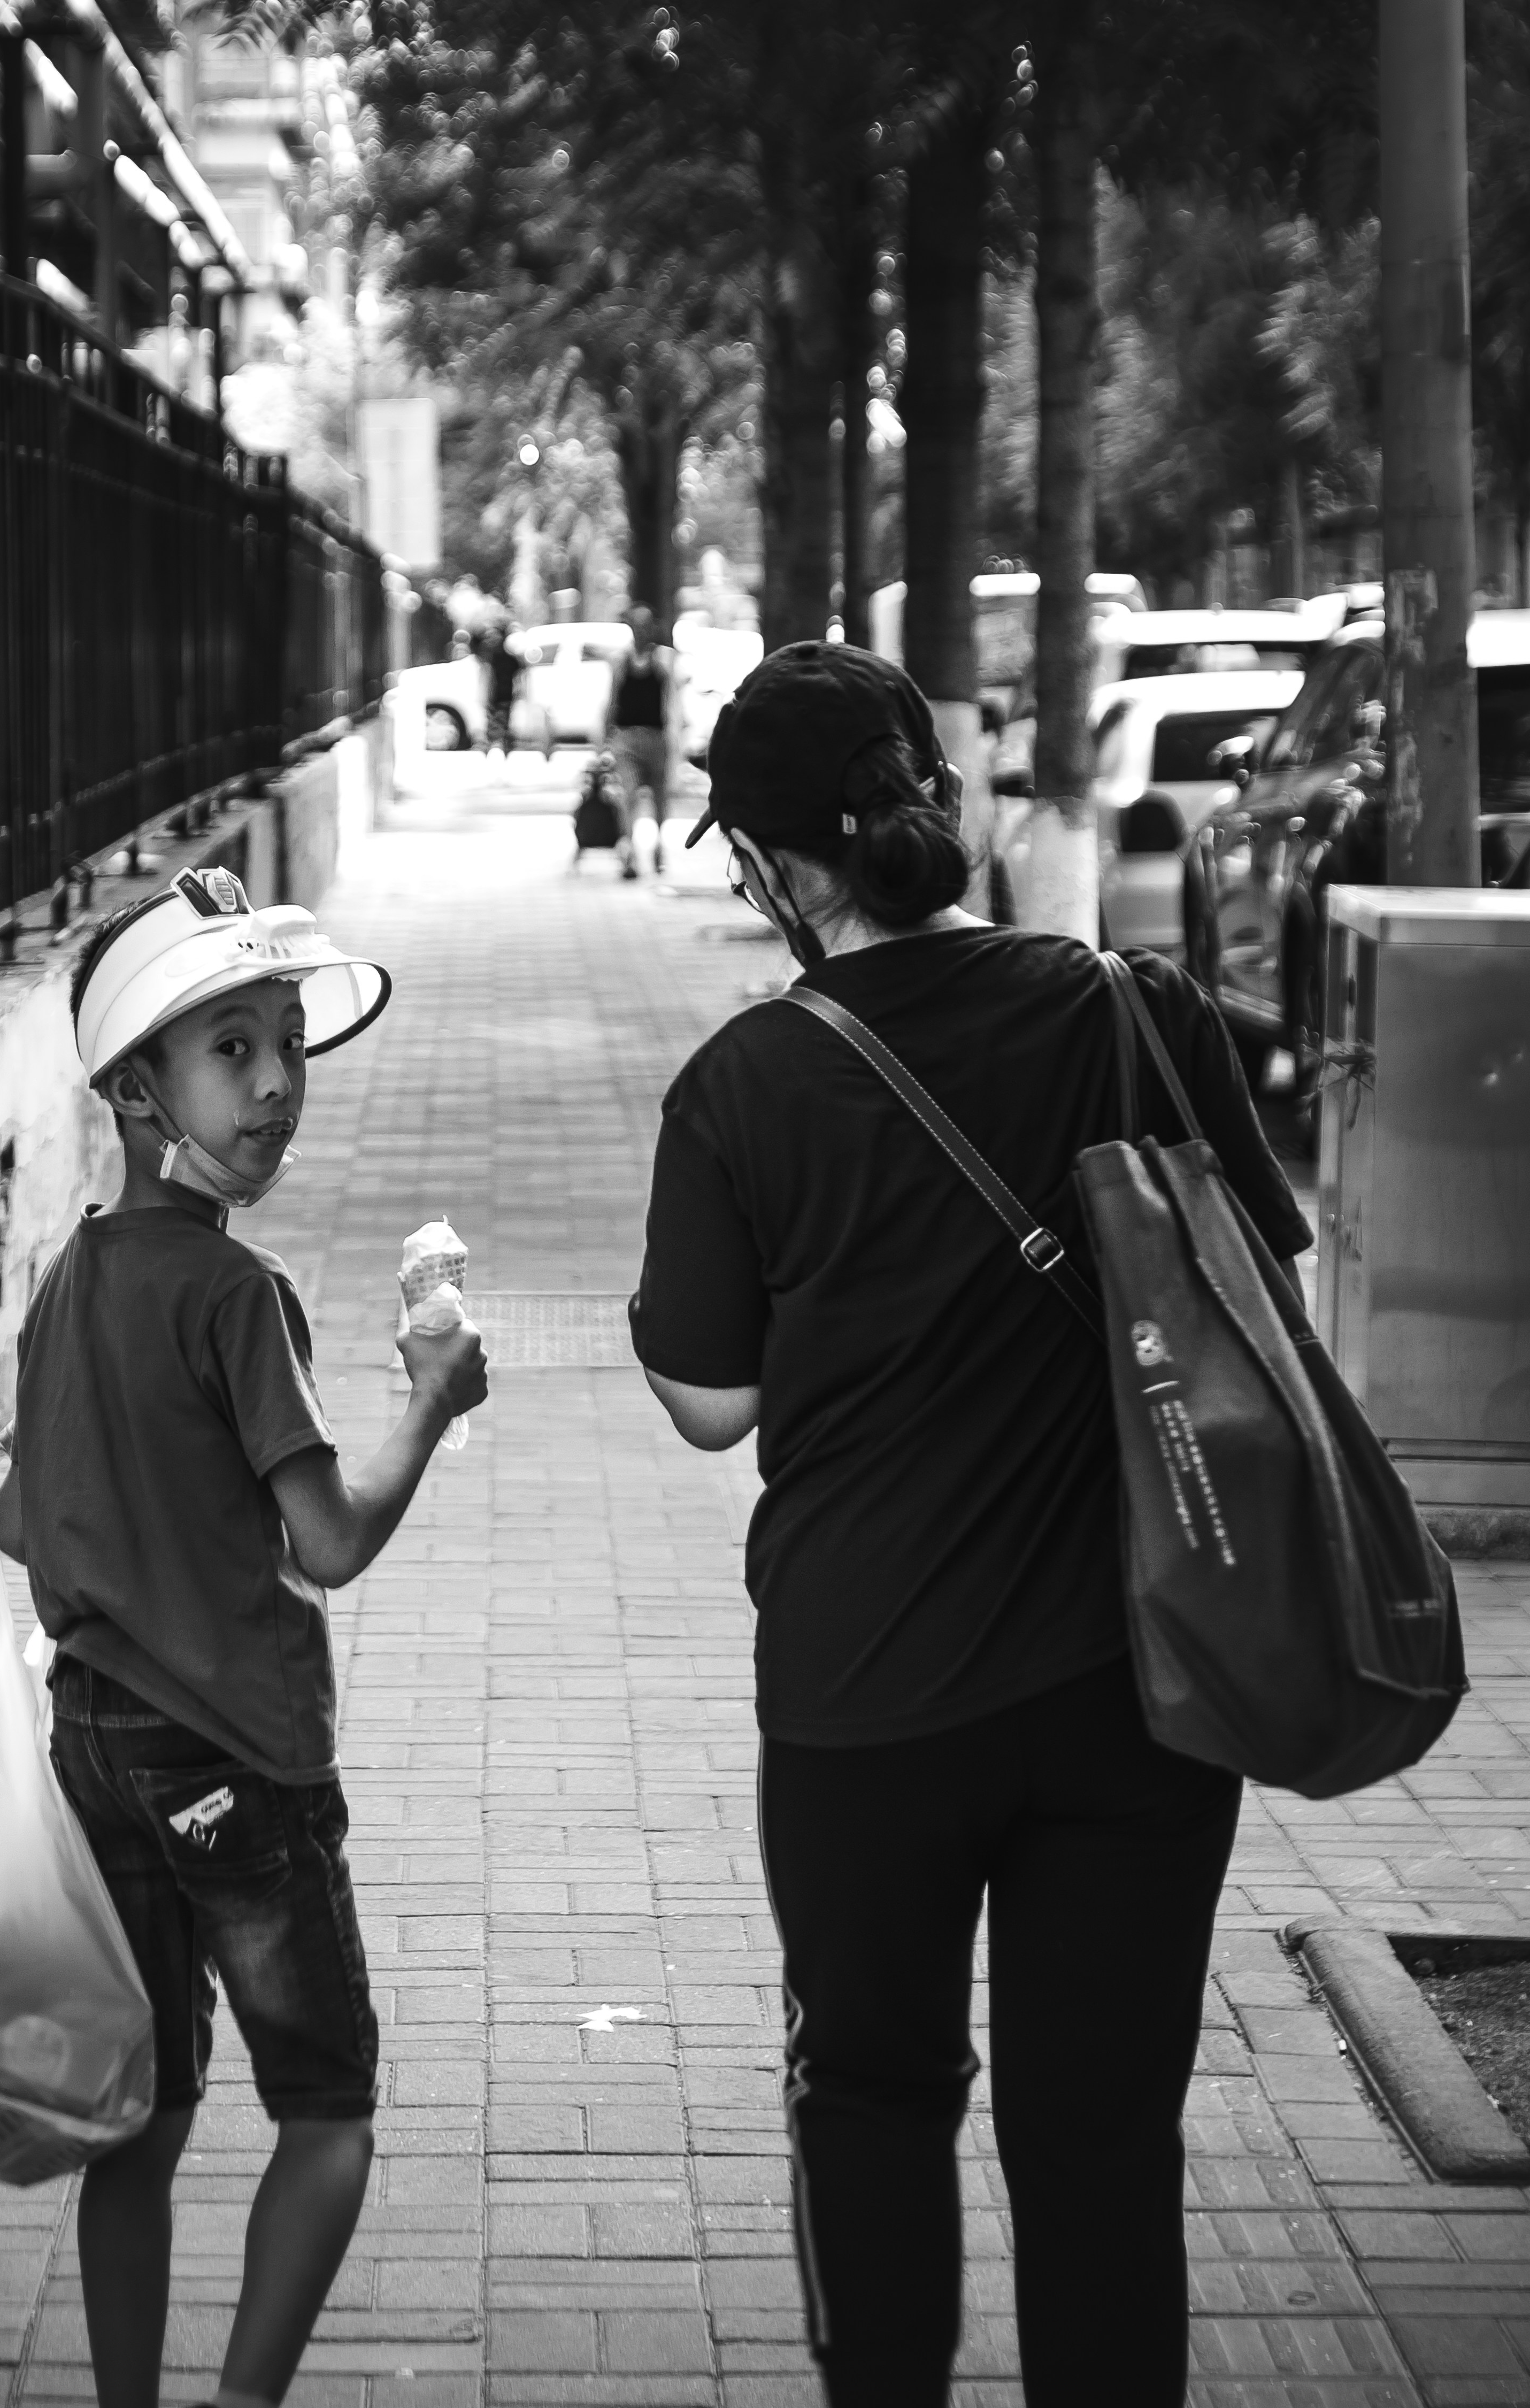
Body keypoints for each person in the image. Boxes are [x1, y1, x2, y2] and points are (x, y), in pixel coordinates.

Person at [628, 645, 1311, 2408]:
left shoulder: (743, 1086)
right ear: (943, 801)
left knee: (871, 2097)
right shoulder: (1130, 1006)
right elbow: (1263, 1275)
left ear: (780, 872)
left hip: (869, 1700)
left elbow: (709, 1398)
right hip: (1145, 1685)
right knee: (1100, 2134)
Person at [0, 866, 488, 2408]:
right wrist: (431, 1400)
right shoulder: (236, 1296)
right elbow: (329, 1542)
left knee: (136, 2128)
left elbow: (24, 1527)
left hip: (97, 1750)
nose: (279, 1083)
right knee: (328, 2107)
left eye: (288, 1042)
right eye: (233, 1050)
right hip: (241, 1763)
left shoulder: (69, 1284)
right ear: (139, 1090)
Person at [603, 604, 676, 876]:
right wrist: (604, 740)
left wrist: (676, 741)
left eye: (645, 625)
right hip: (627, 740)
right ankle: (629, 855)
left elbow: (672, 705)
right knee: (629, 795)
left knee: (660, 799)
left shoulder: (664, 661)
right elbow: (611, 702)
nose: (641, 630)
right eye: (636, 624)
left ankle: (658, 850)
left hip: (657, 739)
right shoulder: (621, 663)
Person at [482, 614, 524, 760]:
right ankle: (499, 746)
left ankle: (497, 745)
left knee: (499, 721)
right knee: (500, 721)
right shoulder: (498, 656)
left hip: (503, 695)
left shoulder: (499, 656)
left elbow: (519, 676)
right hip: (500, 695)